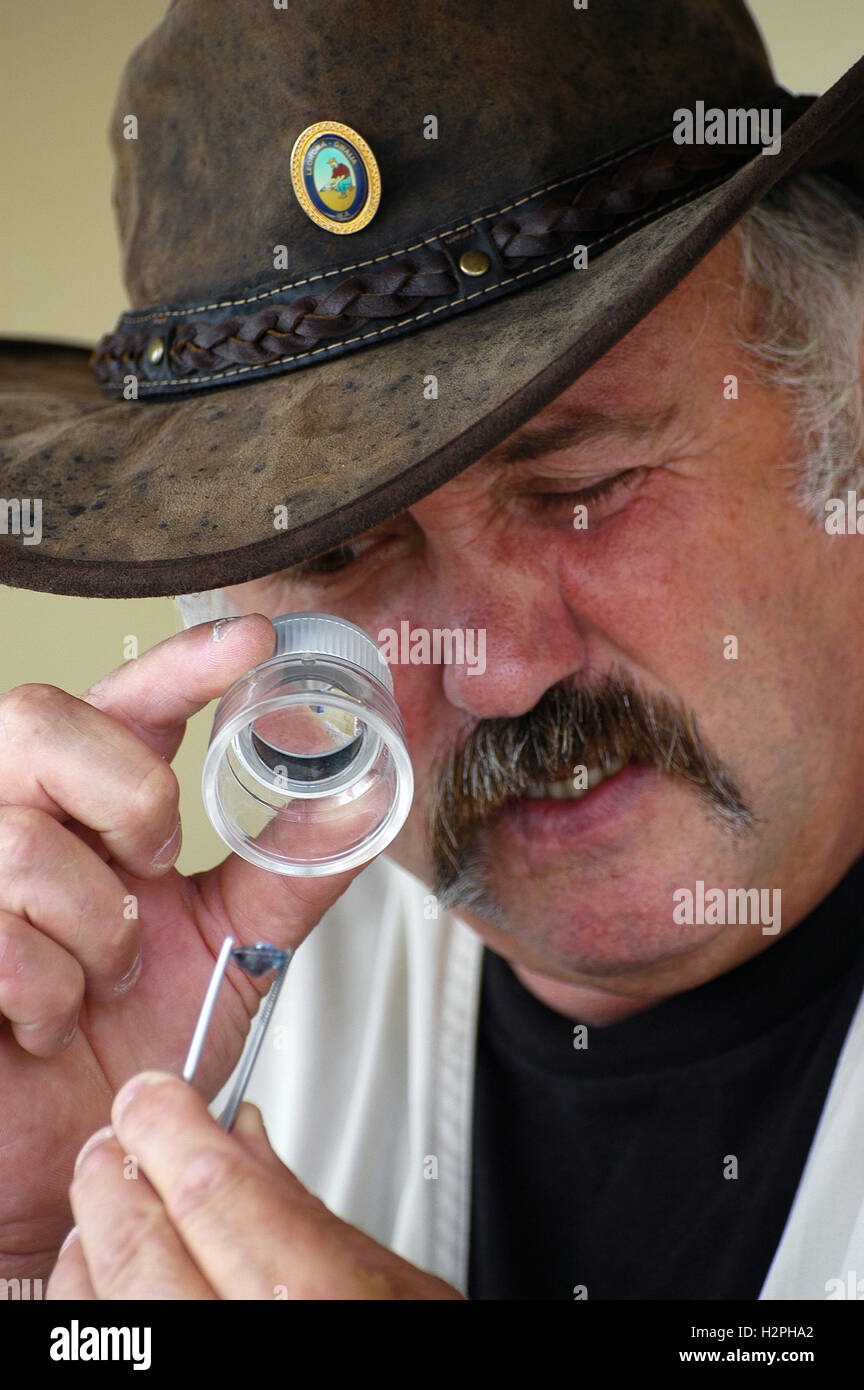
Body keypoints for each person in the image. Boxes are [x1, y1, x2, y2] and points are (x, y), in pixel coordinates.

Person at [1, 0, 863, 1301]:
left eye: (582, 480)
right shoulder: (163, 1024)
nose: (500, 668)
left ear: (839, 431)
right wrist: (27, 1253)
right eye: (345, 551)